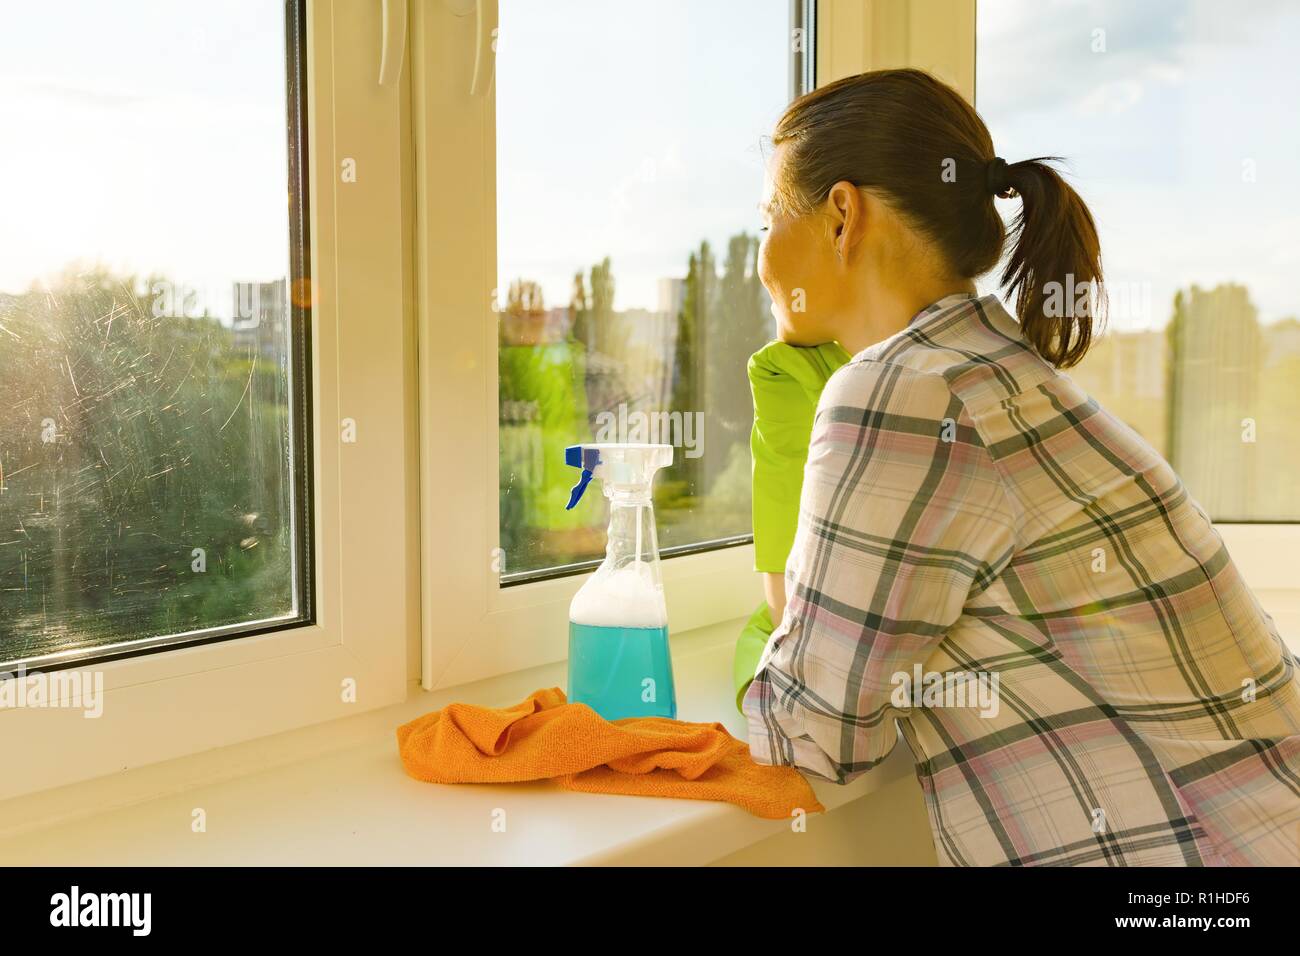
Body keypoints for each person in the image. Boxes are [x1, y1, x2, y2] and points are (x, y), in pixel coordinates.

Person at [739, 68, 1300, 866]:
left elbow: (810, 731)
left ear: (841, 216)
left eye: (768, 215)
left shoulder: (899, 389)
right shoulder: (1006, 372)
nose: (759, 249)